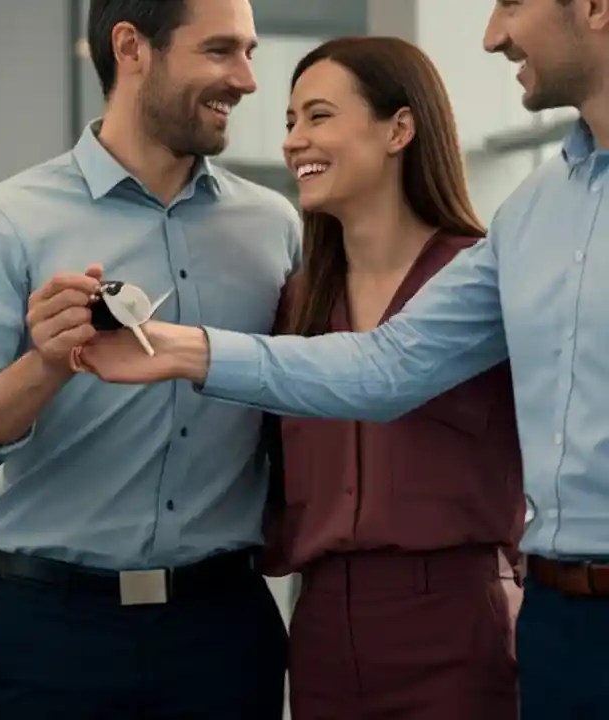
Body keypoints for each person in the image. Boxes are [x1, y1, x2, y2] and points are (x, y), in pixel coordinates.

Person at [70, 1, 609, 717]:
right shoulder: (529, 218)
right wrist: (183, 349)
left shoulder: (475, 246)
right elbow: (383, 369)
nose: (491, 35)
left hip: (464, 621)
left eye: (511, 2)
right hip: (543, 623)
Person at [0, 0, 301, 716]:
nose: (247, 79)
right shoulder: (11, 219)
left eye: (248, 51)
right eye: (220, 51)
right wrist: (46, 365)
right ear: (131, 48)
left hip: (226, 630)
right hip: (54, 636)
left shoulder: (275, 227)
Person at [265, 36, 524, 718]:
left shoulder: (485, 280)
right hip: (319, 627)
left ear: (400, 129)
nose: (295, 141)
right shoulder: (294, 302)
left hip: (457, 624)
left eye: (317, 116)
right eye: (289, 122)